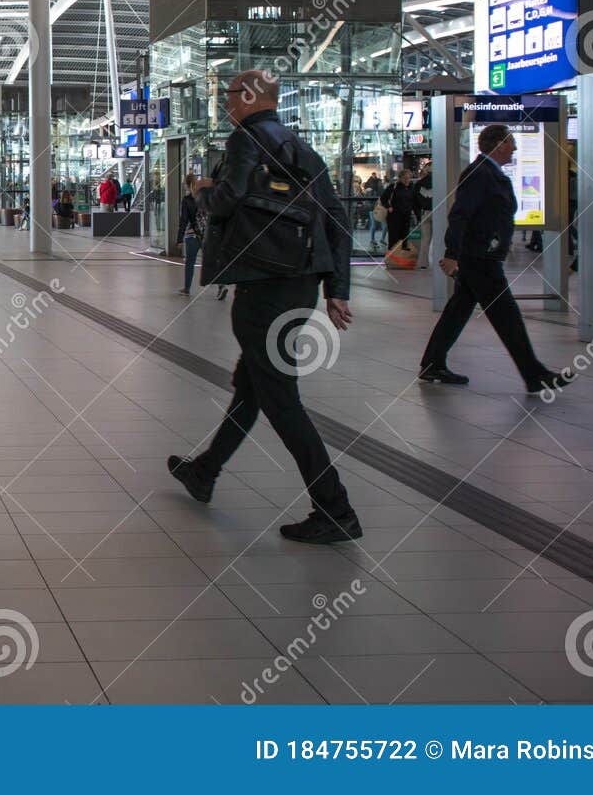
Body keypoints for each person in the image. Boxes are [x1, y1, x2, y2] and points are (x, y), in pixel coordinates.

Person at [166, 70, 362, 545]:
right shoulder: (299, 146)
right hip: (298, 286)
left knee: (279, 399)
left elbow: (229, 199)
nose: (225, 102)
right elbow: (335, 216)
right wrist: (338, 287)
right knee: (252, 386)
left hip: (263, 286)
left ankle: (335, 509)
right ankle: (205, 471)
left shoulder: (246, 140)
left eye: (229, 95)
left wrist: (200, 192)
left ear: (250, 97)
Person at [419, 124, 573, 394]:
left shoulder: (490, 172)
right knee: (507, 315)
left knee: (458, 310)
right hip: (479, 258)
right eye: (511, 143)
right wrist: (451, 254)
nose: (514, 148)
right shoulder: (480, 174)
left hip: (481, 256)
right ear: (499, 145)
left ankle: (432, 363)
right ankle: (534, 374)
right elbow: (460, 215)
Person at [178, 176, 206, 296]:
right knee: (210, 261)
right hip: (206, 234)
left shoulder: (187, 200)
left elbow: (184, 220)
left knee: (190, 263)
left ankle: (187, 288)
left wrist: (179, 239)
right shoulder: (204, 196)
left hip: (192, 235)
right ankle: (221, 286)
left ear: (186, 185)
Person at [379, 168, 417, 254]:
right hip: (394, 215)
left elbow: (414, 201)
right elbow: (383, 198)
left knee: (404, 236)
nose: (407, 180)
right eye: (405, 178)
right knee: (394, 236)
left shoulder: (412, 187)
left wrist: (414, 212)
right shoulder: (394, 186)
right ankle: (393, 256)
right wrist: (388, 207)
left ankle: (402, 256)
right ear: (400, 178)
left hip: (406, 215)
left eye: (409, 178)